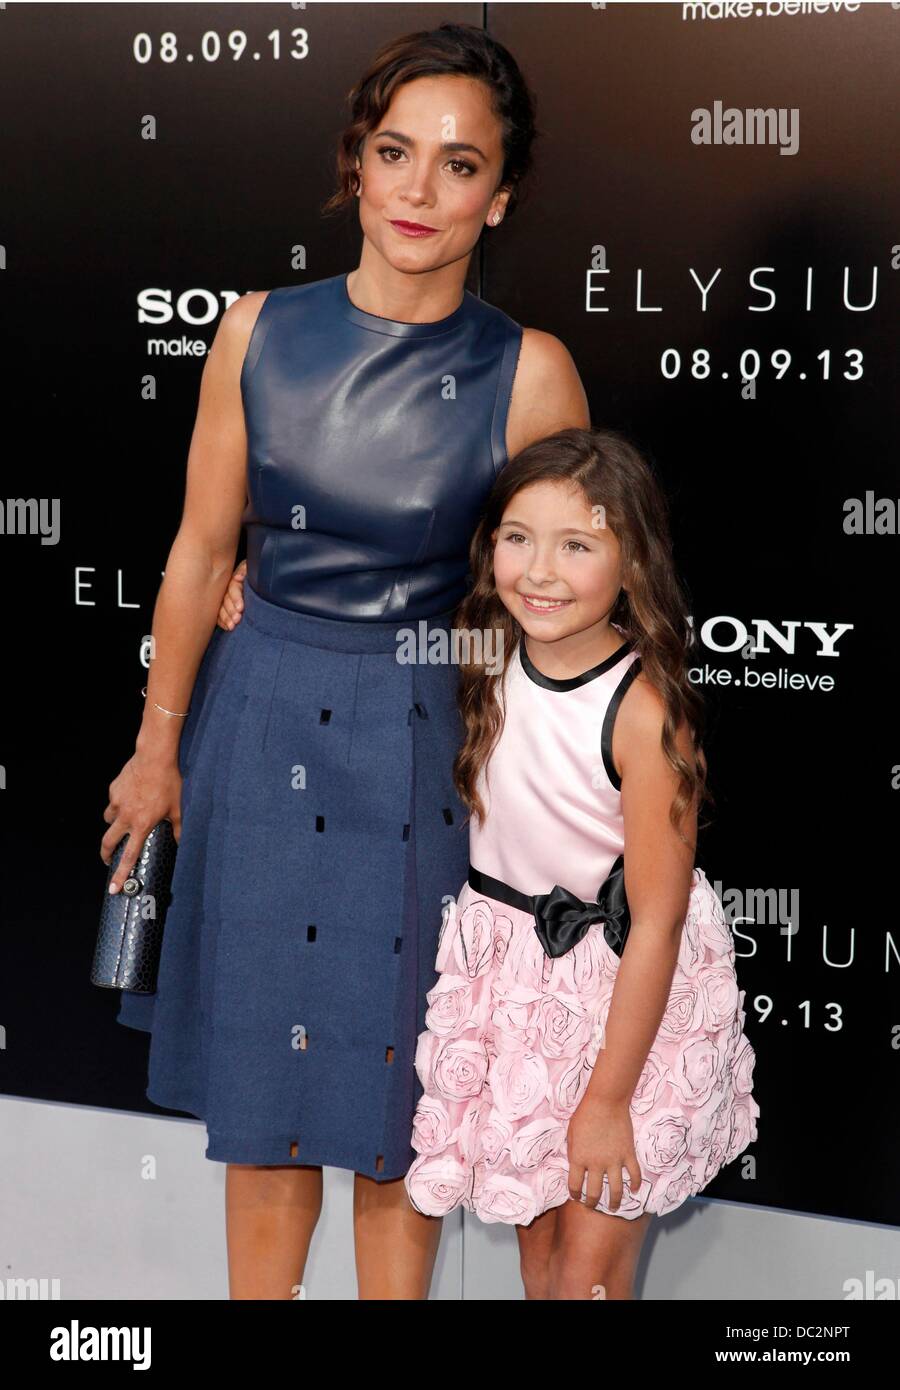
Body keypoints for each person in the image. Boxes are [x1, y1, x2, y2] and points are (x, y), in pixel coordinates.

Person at [100, 23, 590, 1300]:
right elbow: (202, 555)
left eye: (460, 165)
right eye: (395, 154)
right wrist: (158, 752)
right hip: (257, 726)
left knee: (393, 1125)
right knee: (265, 1119)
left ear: (504, 193)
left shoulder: (529, 373)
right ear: (355, 169)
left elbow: (566, 600)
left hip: (423, 745)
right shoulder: (257, 332)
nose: (421, 193)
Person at [394, 425, 757, 1299]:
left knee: (585, 1278)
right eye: (517, 538)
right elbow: (366, 639)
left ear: (632, 563)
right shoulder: (483, 656)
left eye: (577, 544)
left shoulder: (643, 710)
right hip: (514, 997)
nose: (540, 571)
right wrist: (241, 587)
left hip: (628, 999)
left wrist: (606, 1102)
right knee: (543, 1267)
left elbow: (660, 919)